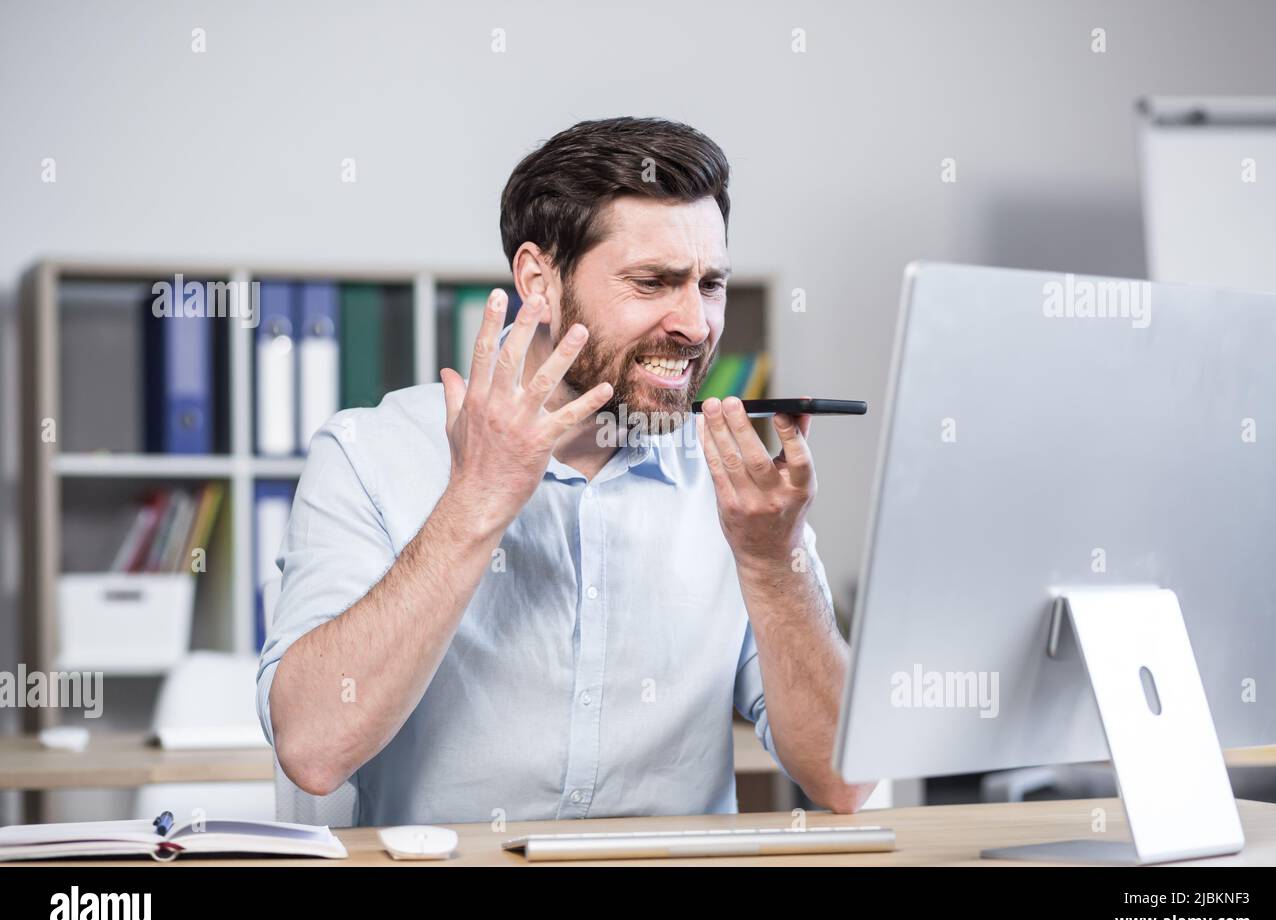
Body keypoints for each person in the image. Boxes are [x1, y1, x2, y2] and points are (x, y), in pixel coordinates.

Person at [257, 116, 871, 824]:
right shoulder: (369, 454)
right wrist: (476, 501)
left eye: (710, 285)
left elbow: (846, 780)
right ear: (538, 282)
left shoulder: (735, 486)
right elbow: (311, 748)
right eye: (654, 283)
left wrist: (773, 564)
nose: (696, 325)